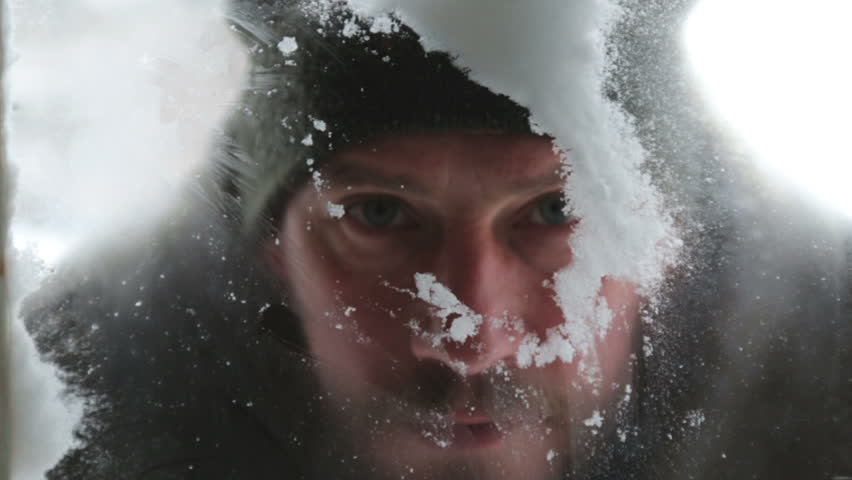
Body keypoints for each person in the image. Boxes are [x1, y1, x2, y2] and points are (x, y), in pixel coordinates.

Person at [21, 1, 852, 479]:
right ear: (270, 247)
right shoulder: (47, 427)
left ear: (668, 243)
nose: (471, 337)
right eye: (380, 215)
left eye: (559, 212)